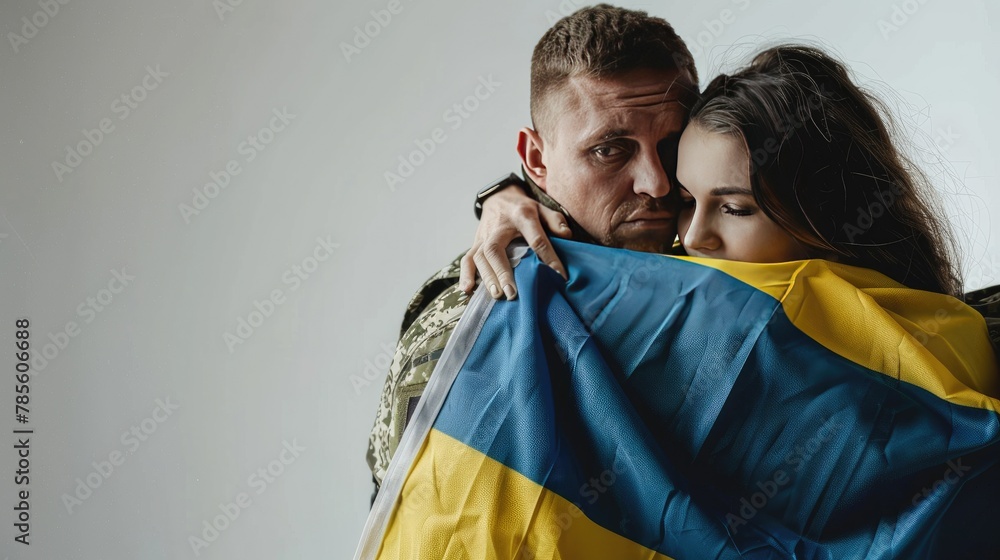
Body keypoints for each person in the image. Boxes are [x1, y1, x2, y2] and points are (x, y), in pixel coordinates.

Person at [365, 4, 699, 499]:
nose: (656, 183)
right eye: (610, 149)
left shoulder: (721, 253)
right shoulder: (481, 309)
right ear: (536, 160)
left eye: (672, 146)